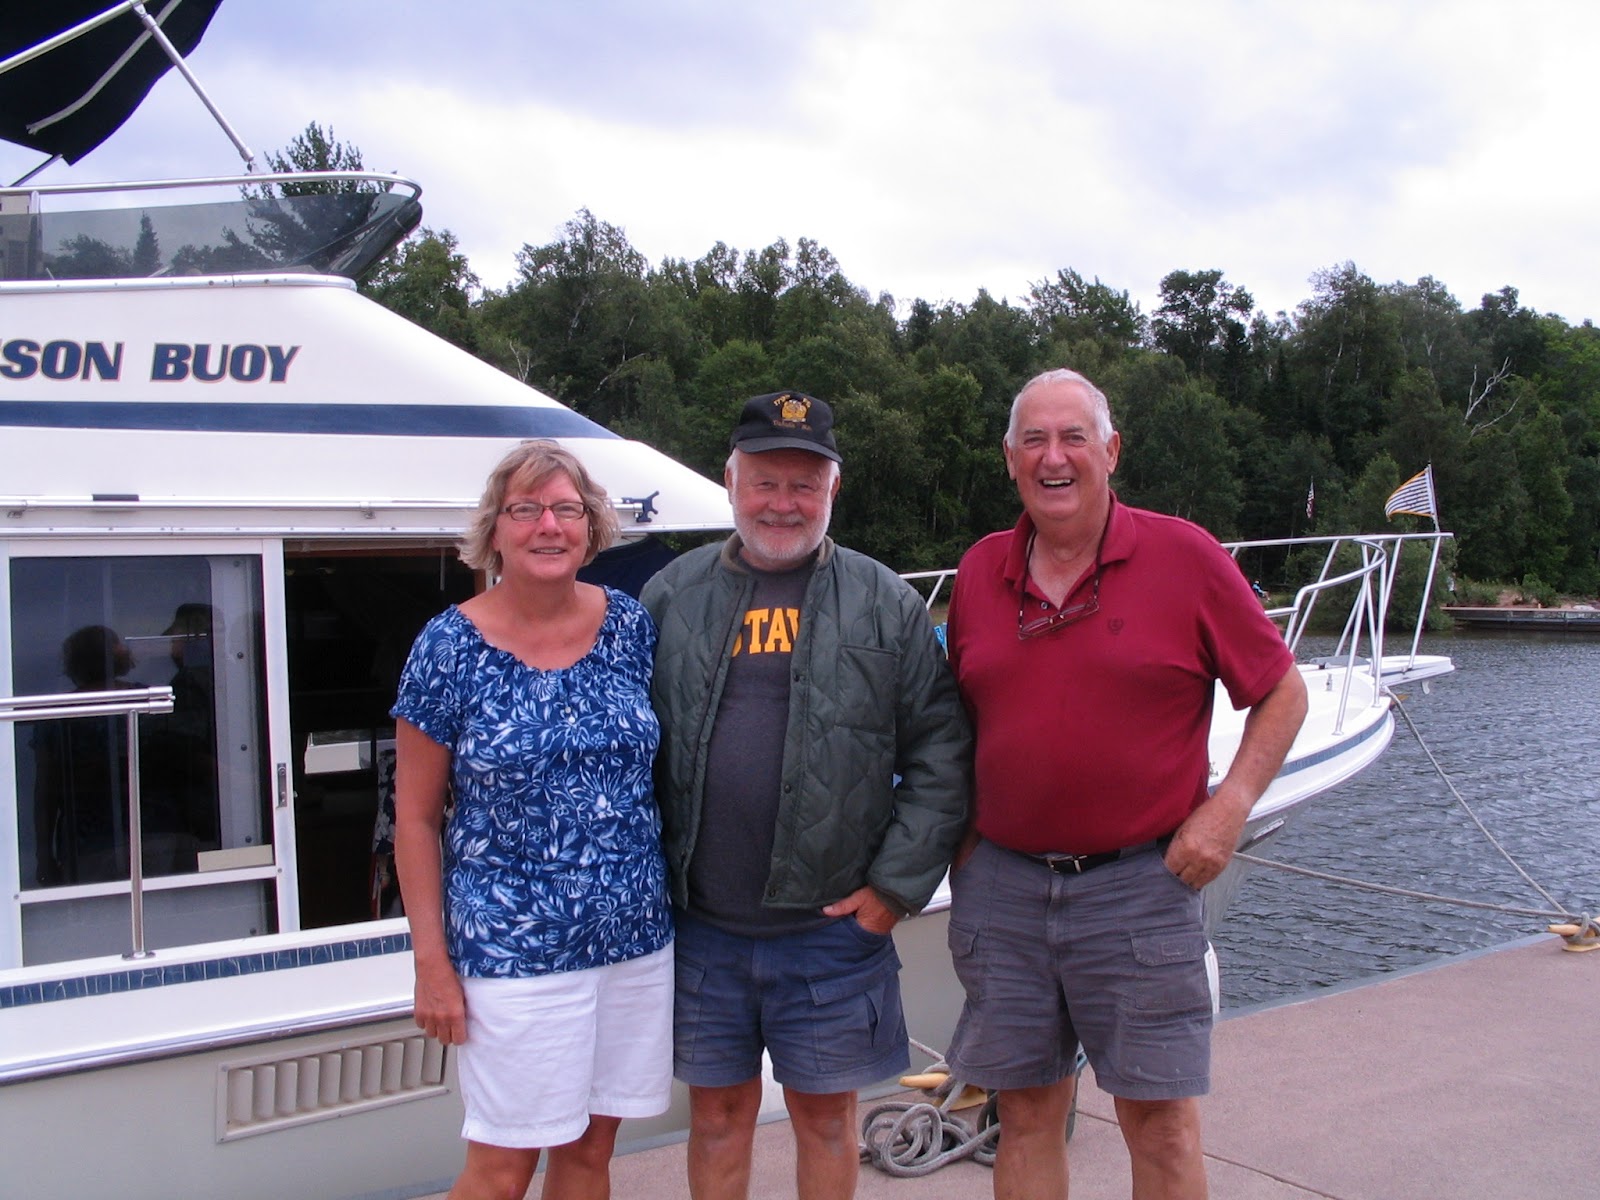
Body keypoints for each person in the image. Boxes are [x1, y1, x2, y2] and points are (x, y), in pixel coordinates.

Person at [941, 368, 1308, 1200]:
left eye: (1073, 437)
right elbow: (959, 724)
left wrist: (1227, 811)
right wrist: (966, 849)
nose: (1054, 456)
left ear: (1110, 450)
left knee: (1160, 1124)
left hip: (1142, 886)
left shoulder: (1185, 556)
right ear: (1009, 459)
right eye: (1033, 439)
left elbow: (1282, 692)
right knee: (1025, 1114)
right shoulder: (977, 572)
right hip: (1003, 888)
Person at [640, 390, 971, 1200]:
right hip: (700, 929)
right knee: (715, 1118)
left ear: (834, 490)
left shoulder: (886, 601)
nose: (782, 504)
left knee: (826, 1121)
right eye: (764, 482)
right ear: (730, 481)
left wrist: (894, 890)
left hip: (830, 933)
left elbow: (942, 750)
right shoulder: (670, 596)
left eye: (803, 485)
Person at [391, 440, 673, 1200]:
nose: (548, 525)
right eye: (527, 509)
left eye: (566, 510)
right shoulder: (448, 647)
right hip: (512, 952)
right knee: (503, 1164)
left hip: (632, 941)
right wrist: (431, 964)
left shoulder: (628, 626)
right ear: (497, 528)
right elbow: (414, 821)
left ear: (590, 527)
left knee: (588, 1156)